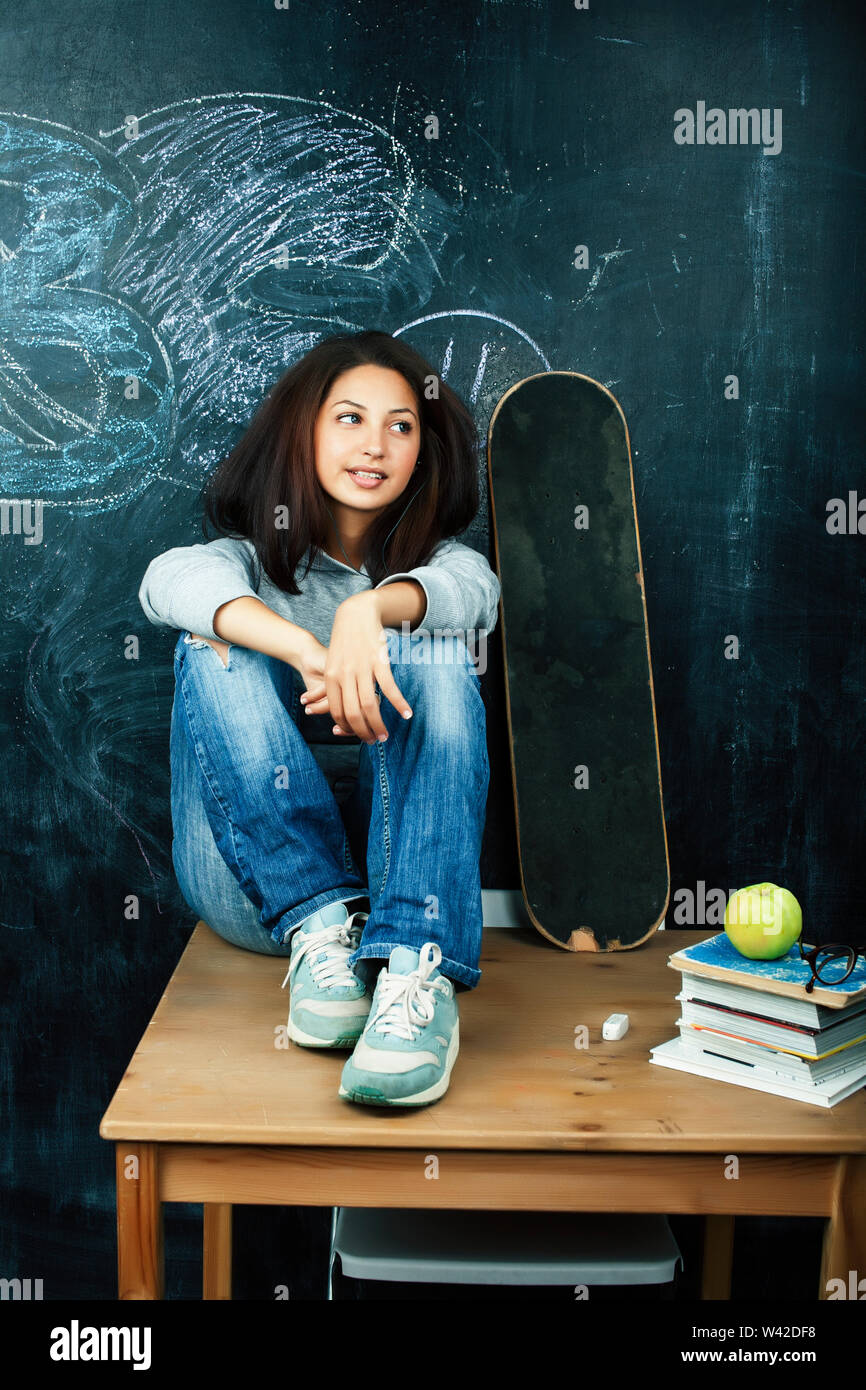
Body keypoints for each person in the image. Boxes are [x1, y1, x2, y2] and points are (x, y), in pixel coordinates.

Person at [138, 330, 500, 1108]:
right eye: (350, 419)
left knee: (437, 648)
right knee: (213, 641)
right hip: (254, 893)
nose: (376, 445)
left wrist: (373, 609)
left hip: (397, 879)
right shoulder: (242, 559)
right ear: (302, 432)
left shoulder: (441, 564)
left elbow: (476, 596)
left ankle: (415, 972)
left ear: (422, 449)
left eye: (401, 425)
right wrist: (305, 647)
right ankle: (321, 924)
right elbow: (168, 580)